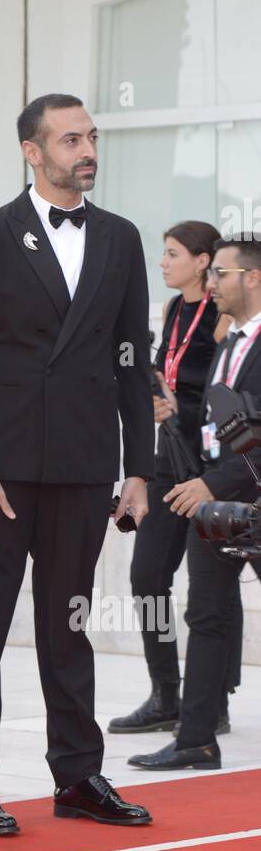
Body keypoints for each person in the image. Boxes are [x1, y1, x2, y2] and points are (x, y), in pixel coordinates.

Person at [0, 93, 155, 836]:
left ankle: (78, 776)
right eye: (70, 139)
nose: (85, 149)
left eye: (90, 136)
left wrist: (137, 469)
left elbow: (134, 363)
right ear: (32, 152)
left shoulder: (121, 239)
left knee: (68, 626)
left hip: (81, 464)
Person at [129, 233, 261, 772]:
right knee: (205, 614)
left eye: (222, 275)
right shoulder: (230, 343)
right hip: (218, 500)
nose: (213, 285)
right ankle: (196, 739)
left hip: (242, 497)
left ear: (252, 278)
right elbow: (224, 426)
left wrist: (215, 481)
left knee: (206, 612)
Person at [108, 222, 231, 735]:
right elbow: (165, 370)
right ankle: (166, 693)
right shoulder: (172, 310)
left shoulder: (222, 317)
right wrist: (155, 400)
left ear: (202, 261)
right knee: (147, 577)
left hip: (209, 465)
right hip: (167, 460)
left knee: (215, 584)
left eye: (173, 253)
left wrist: (184, 407)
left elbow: (227, 388)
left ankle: (215, 698)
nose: (162, 262)